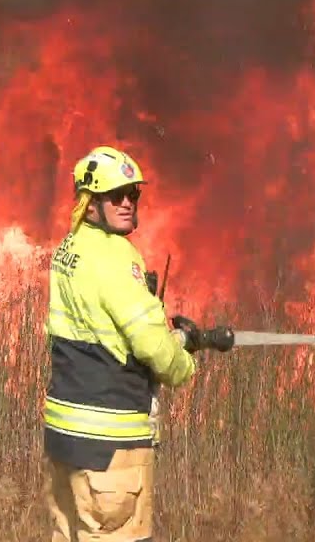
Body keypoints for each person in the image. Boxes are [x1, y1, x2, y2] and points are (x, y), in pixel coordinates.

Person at [43, 145, 230, 542]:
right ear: (91, 203)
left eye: (133, 193)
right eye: (116, 195)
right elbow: (150, 346)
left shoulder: (69, 249)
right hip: (110, 448)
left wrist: (180, 337)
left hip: (65, 439)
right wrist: (183, 363)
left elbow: (104, 334)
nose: (127, 202)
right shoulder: (114, 256)